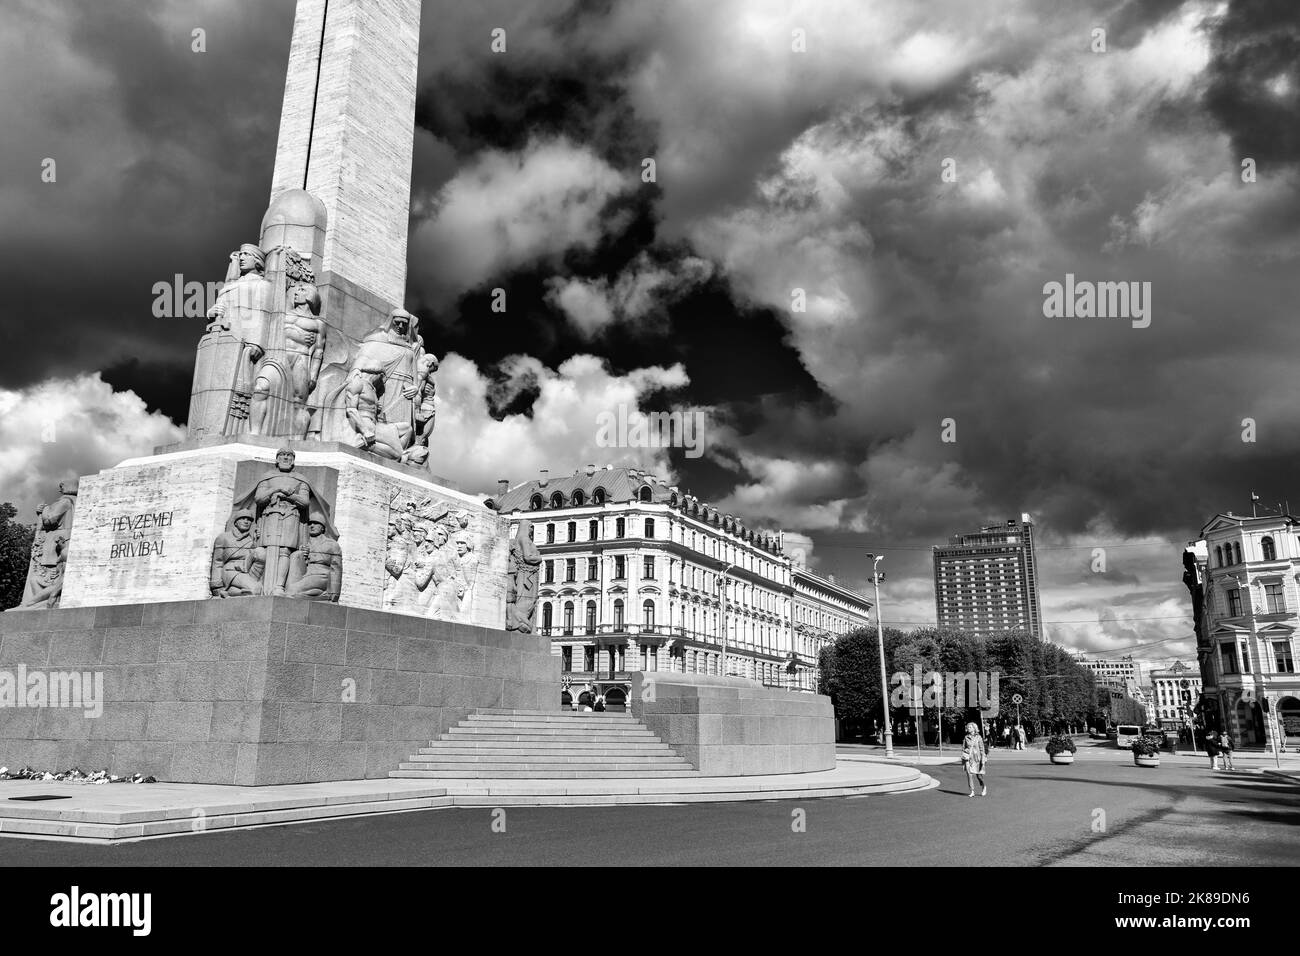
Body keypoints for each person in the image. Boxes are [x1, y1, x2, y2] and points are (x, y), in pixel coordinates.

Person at [961, 722, 988, 797]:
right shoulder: (966, 737)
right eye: (968, 727)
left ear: (974, 728)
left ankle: (983, 786)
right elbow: (963, 748)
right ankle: (972, 791)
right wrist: (965, 752)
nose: (968, 728)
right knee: (969, 775)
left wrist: (983, 758)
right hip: (969, 759)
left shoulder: (978, 737)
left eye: (970, 727)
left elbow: (982, 749)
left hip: (977, 759)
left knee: (979, 776)